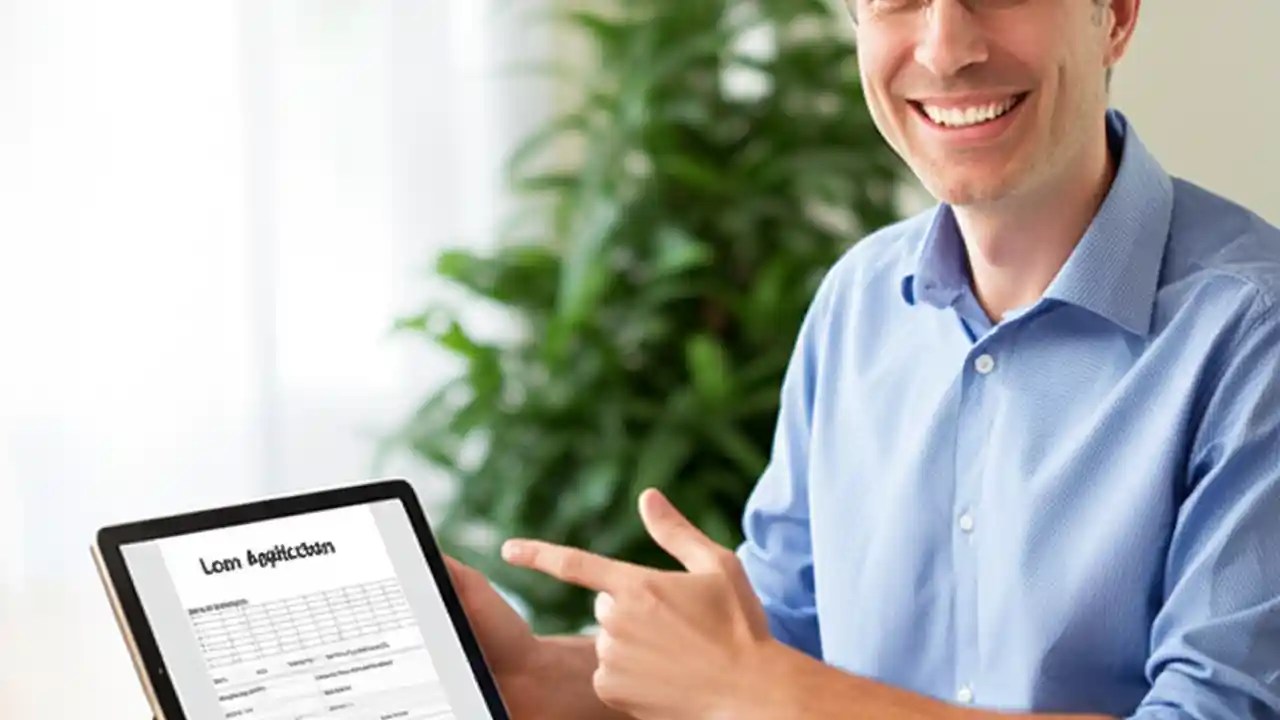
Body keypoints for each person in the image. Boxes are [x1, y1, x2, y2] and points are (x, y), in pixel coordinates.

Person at [446, 0, 1280, 717]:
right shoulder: (860, 300)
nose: (946, 49)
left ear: (1117, 16)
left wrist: (760, 690)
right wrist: (535, 675)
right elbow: (781, 635)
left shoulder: (1252, 332)